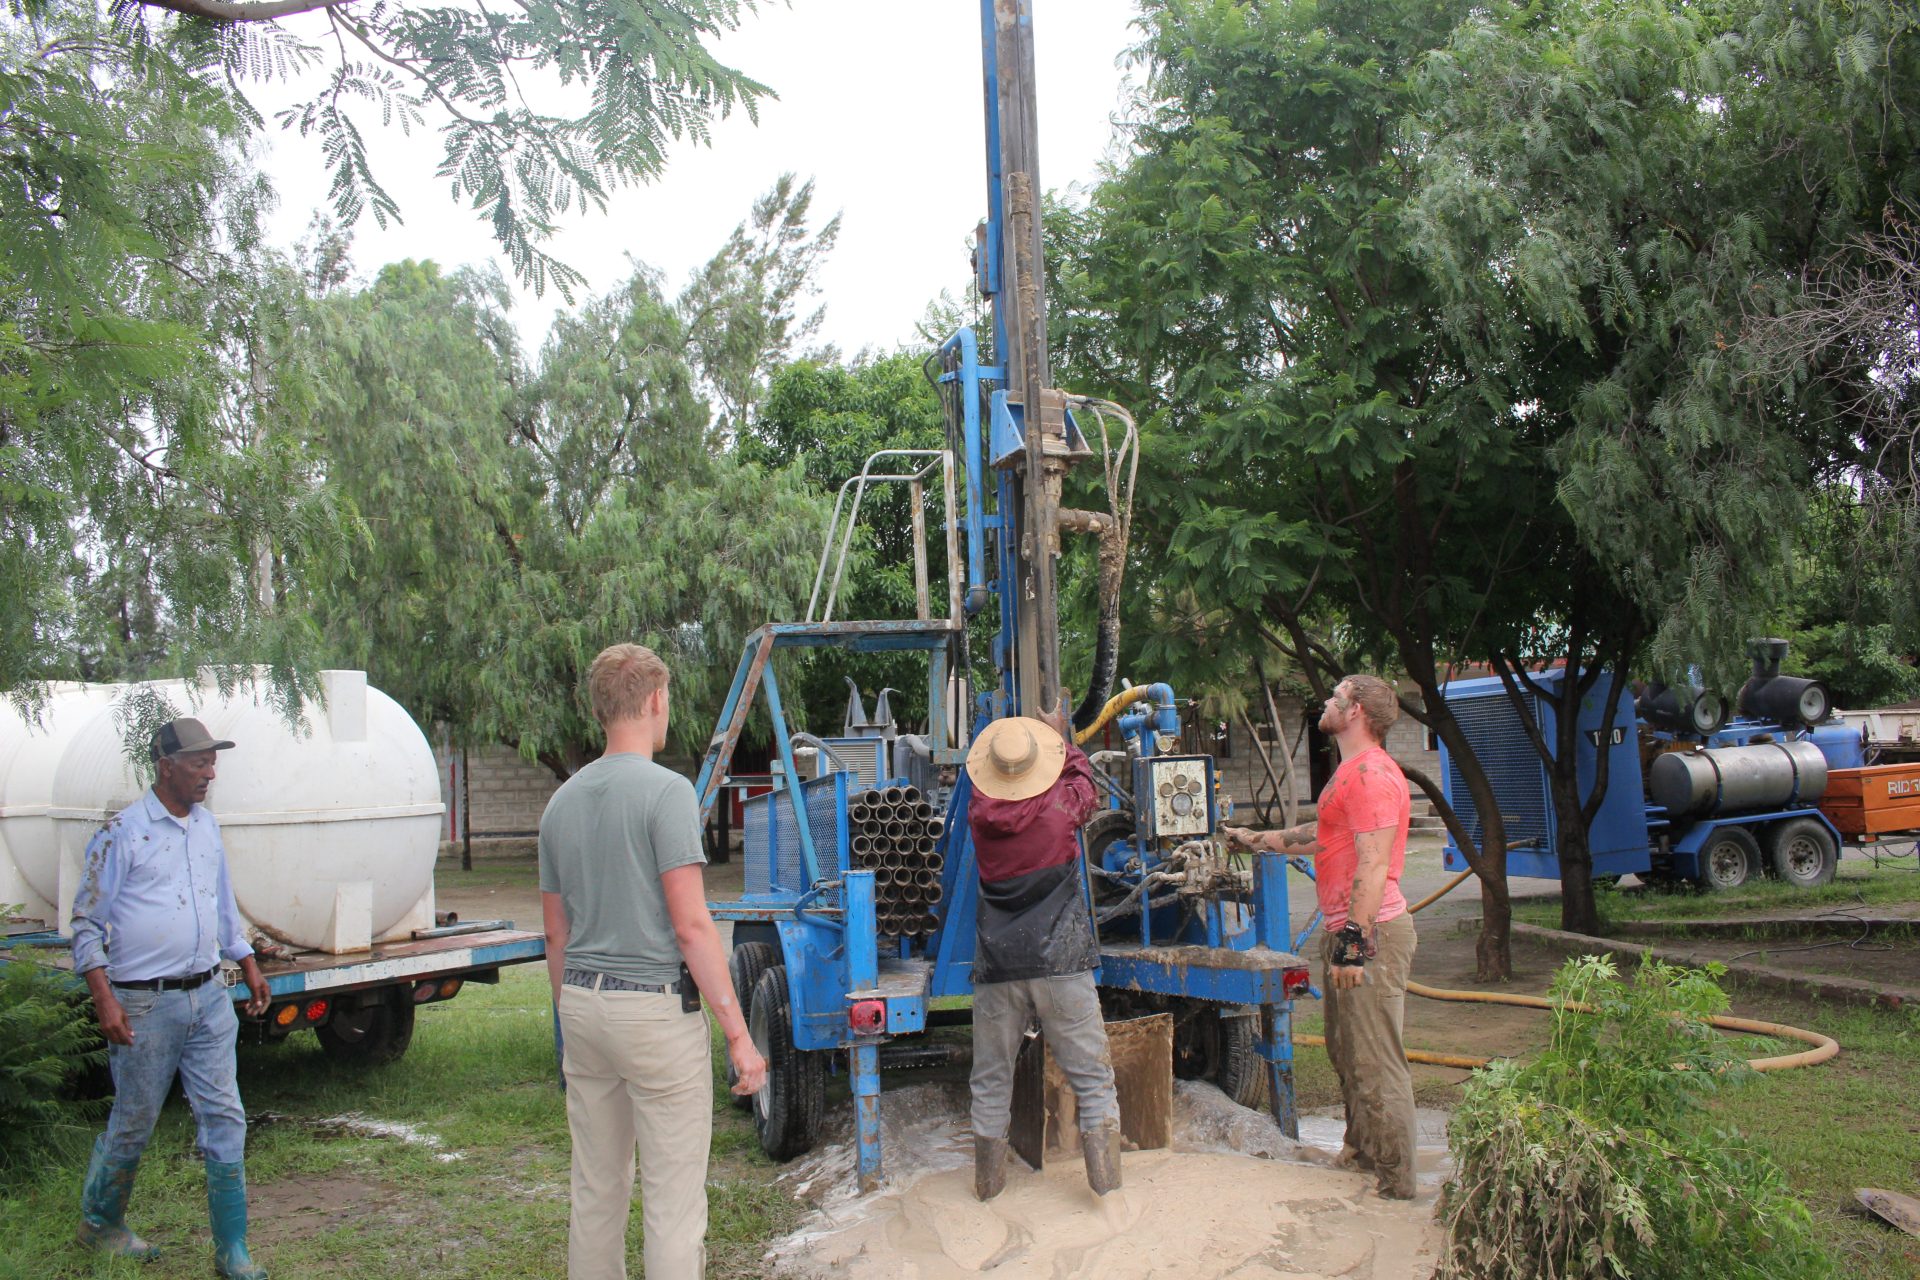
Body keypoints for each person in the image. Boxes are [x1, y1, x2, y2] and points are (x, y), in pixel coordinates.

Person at [539, 643, 768, 1280]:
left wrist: (572, 1018)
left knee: (596, 1188)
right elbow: (692, 927)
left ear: (599, 708)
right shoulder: (667, 793)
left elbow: (555, 935)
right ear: (656, 700)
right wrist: (739, 1037)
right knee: (672, 1201)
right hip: (654, 1014)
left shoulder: (560, 803)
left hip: (581, 1003)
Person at [69, 717, 274, 1278]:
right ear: (166, 767)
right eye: (199, 763)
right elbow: (85, 924)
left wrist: (247, 962)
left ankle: (232, 1249)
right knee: (135, 1119)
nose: (210, 774)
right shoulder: (121, 833)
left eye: (213, 763)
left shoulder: (207, 827)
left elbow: (221, 905)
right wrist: (104, 999)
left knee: (225, 1114)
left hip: (208, 996)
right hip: (144, 1004)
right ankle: (101, 1222)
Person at [1223, 674, 1418, 1199]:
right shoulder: (1350, 773)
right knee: (1347, 1053)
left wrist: (1353, 947)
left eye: (1336, 697)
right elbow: (1323, 836)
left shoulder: (1372, 774)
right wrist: (1255, 839)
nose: (1327, 702)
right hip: (1349, 932)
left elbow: (1373, 865)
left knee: (1375, 1062)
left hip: (1371, 936)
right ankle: (1361, 1156)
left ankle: (1397, 1187)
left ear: (1356, 712)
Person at [964, 690, 1122, 1201]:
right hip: (1061, 964)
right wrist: (1061, 738)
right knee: (1092, 1079)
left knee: (991, 1079)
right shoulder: (1060, 809)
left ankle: (987, 1188)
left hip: (998, 968)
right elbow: (1086, 785)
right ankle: (1108, 1193)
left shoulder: (978, 815)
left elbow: (990, 792)